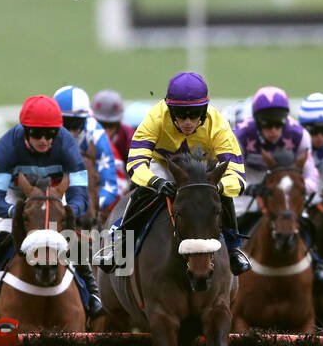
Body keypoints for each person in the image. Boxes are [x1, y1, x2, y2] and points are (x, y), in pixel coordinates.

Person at [95, 71, 250, 276]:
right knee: (143, 191)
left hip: (202, 170)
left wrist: (218, 187)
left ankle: (232, 248)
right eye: (179, 113)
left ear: (204, 111)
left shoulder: (218, 123)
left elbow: (237, 174)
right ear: (169, 109)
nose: (187, 121)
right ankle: (120, 242)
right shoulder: (156, 117)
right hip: (164, 167)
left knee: (224, 195)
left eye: (194, 114)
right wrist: (156, 182)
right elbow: (135, 163)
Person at [0, 94, 103, 320]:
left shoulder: (66, 143)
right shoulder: (6, 147)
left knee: (72, 236)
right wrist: (16, 213)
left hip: (53, 194)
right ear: (25, 130)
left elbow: (80, 195)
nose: (44, 140)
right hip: (16, 195)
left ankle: (91, 291)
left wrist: (69, 212)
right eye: (37, 133)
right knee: (2, 233)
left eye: (50, 134)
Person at [234, 86, 323, 282]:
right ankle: (231, 256)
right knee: (235, 215)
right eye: (268, 126)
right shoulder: (241, 134)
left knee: (302, 218)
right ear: (257, 122)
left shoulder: (299, 135)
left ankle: (317, 263)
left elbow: (312, 175)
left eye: (278, 125)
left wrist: (300, 189)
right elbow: (231, 170)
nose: (274, 131)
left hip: (286, 183)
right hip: (249, 177)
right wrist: (247, 188)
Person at [55, 85, 119, 221]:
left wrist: (89, 207)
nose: (71, 132)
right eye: (66, 123)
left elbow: (110, 186)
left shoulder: (96, 134)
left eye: (77, 124)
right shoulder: (45, 132)